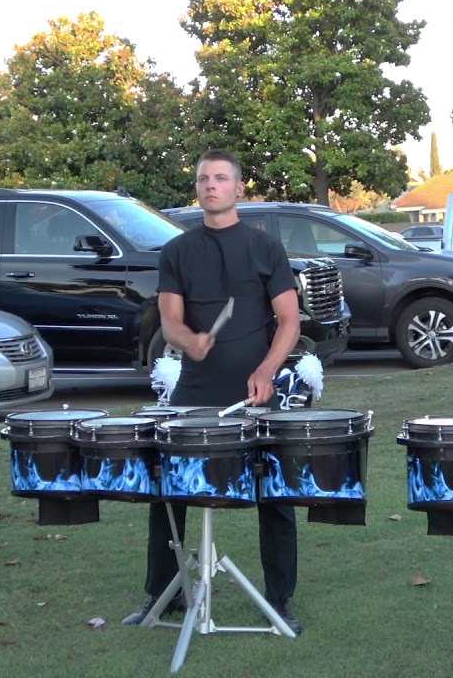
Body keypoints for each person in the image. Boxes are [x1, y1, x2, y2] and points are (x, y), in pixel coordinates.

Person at [121, 148, 303, 634]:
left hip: (255, 392)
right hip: (196, 391)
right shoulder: (178, 251)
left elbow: (289, 321)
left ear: (238, 188)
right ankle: (164, 594)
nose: (211, 186)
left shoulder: (265, 247)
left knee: (274, 495)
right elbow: (170, 321)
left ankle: (280, 600)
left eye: (221, 178)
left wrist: (267, 370)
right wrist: (189, 341)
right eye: (204, 179)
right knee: (168, 490)